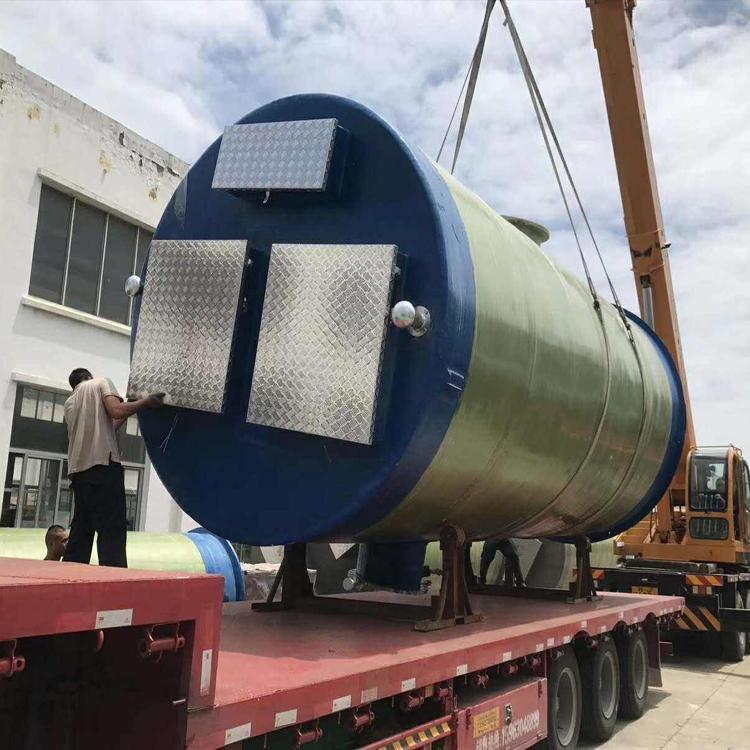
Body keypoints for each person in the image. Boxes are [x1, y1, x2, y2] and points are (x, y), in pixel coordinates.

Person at [62, 368, 163, 567]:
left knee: (82, 528)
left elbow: (111, 424)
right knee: (112, 529)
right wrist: (146, 402)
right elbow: (116, 410)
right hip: (103, 466)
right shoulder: (100, 383)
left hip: (78, 474)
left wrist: (130, 406)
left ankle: (71, 572)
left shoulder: (70, 402)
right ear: (89, 377)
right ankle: (114, 575)